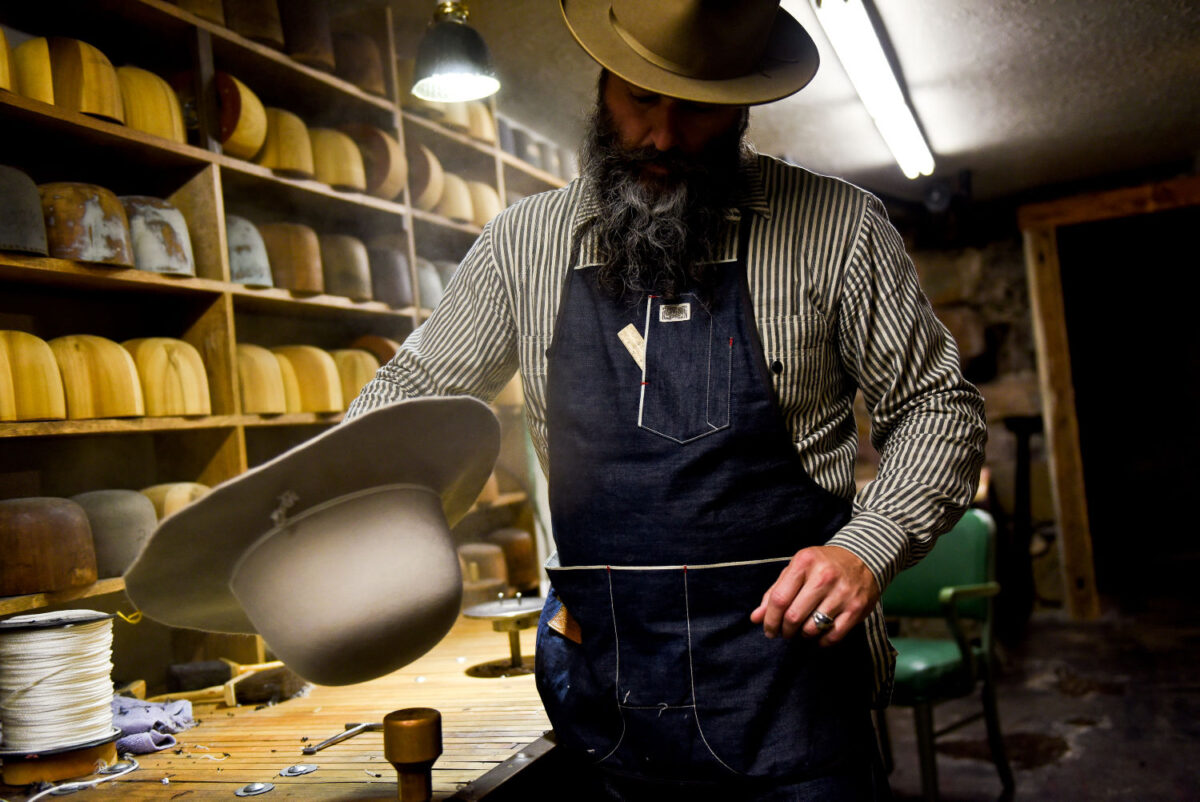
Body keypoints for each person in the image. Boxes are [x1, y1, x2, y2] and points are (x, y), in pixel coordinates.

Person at [348, 1, 986, 798]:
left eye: (696, 111)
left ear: (743, 105)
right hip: (607, 691)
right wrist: (327, 506)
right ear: (602, 82)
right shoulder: (523, 243)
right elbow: (414, 392)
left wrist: (870, 543)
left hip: (791, 693)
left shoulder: (840, 228)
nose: (662, 137)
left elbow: (936, 405)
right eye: (640, 100)